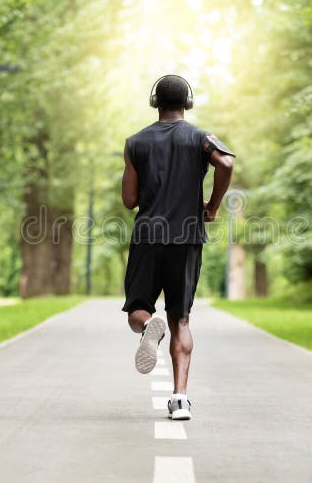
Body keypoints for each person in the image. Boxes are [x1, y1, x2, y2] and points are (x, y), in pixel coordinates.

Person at [121, 74, 234, 421]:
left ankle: (147, 326)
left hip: (148, 236)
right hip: (187, 237)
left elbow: (129, 200)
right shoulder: (200, 138)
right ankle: (180, 398)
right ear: (188, 103)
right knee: (181, 319)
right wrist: (212, 206)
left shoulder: (135, 142)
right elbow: (226, 163)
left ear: (155, 102)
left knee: (139, 310)